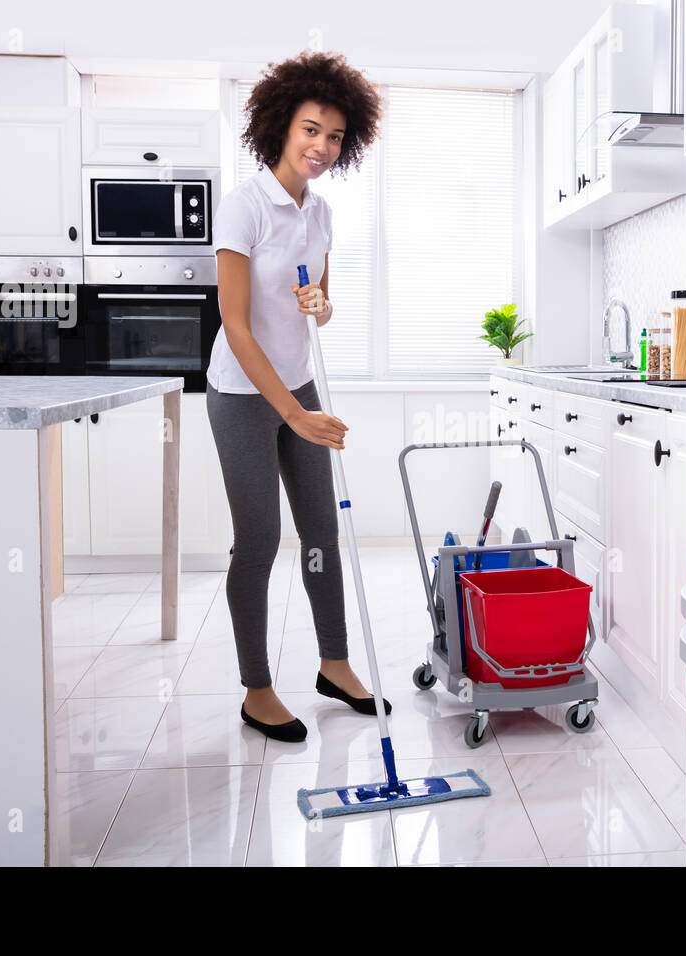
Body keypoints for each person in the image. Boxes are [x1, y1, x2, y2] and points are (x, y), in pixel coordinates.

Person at [206, 50, 388, 742]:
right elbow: (236, 322)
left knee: (321, 532)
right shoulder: (243, 208)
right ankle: (257, 690)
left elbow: (320, 303)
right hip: (244, 391)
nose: (322, 146)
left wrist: (320, 302)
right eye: (311, 129)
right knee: (259, 540)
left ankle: (334, 664)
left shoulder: (321, 215)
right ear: (282, 126)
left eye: (336, 136)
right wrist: (294, 415)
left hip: (300, 384)